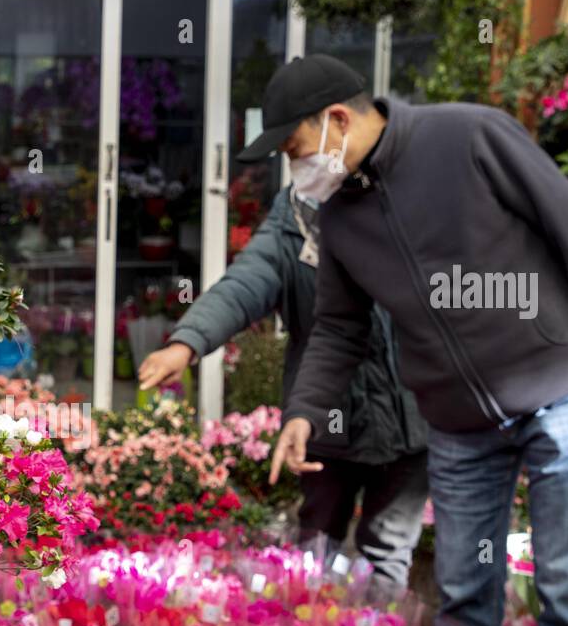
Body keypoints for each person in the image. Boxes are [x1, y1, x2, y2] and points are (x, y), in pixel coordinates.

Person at [249, 55, 568, 626]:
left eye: (295, 151)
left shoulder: (471, 136)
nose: (297, 171)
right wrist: (304, 411)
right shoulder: (339, 216)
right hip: (458, 424)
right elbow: (341, 326)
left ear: (338, 121)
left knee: (567, 588)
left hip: (562, 393)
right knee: (465, 592)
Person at [138, 180, 428, 586]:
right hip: (325, 417)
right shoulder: (293, 222)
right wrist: (188, 342)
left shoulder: (408, 200)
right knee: (316, 551)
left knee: (388, 555)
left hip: (411, 418)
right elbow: (242, 287)